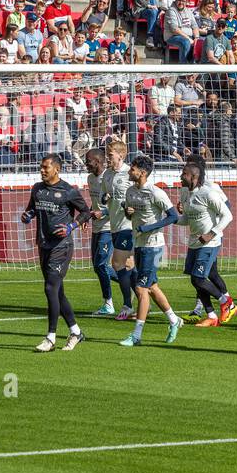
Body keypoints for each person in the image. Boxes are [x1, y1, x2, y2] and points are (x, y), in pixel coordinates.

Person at [24, 153, 91, 352]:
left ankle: (51, 338)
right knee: (57, 292)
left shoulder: (68, 191)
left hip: (62, 246)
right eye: (41, 167)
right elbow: (32, 209)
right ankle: (76, 332)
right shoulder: (37, 189)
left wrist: (71, 226)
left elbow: (86, 211)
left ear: (57, 169)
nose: (42, 170)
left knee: (50, 288)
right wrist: (28, 215)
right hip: (43, 244)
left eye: (46, 167)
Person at [119, 154, 184, 346]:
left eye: (133, 168)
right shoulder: (130, 191)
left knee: (141, 289)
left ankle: (137, 335)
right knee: (152, 286)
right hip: (139, 243)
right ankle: (174, 320)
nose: (130, 171)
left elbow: (172, 216)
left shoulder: (156, 193)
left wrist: (148, 228)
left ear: (142, 172)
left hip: (154, 246)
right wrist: (127, 212)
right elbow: (131, 216)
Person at [176, 158, 237, 328]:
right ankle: (211, 316)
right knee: (199, 278)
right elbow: (188, 218)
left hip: (210, 242)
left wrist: (212, 233)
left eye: (184, 174)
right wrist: (172, 219)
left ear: (194, 176)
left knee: (199, 278)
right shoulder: (184, 191)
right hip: (195, 241)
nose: (181, 176)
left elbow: (228, 214)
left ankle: (228, 303)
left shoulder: (209, 192)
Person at [100, 138, 136, 320]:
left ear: (121, 155)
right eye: (107, 154)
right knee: (129, 266)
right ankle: (144, 295)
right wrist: (105, 198)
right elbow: (103, 196)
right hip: (114, 224)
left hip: (128, 225)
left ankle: (127, 305)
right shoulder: (107, 174)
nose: (107, 158)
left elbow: (140, 196)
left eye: (110, 155)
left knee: (117, 264)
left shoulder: (130, 173)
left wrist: (133, 208)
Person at [83, 146, 119, 316]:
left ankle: (109, 303)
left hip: (109, 227)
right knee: (97, 267)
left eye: (88, 161)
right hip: (97, 227)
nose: (86, 164)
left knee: (101, 264)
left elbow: (117, 204)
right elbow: (97, 202)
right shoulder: (90, 178)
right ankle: (132, 282)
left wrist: (103, 213)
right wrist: (88, 216)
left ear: (97, 161)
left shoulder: (109, 177)